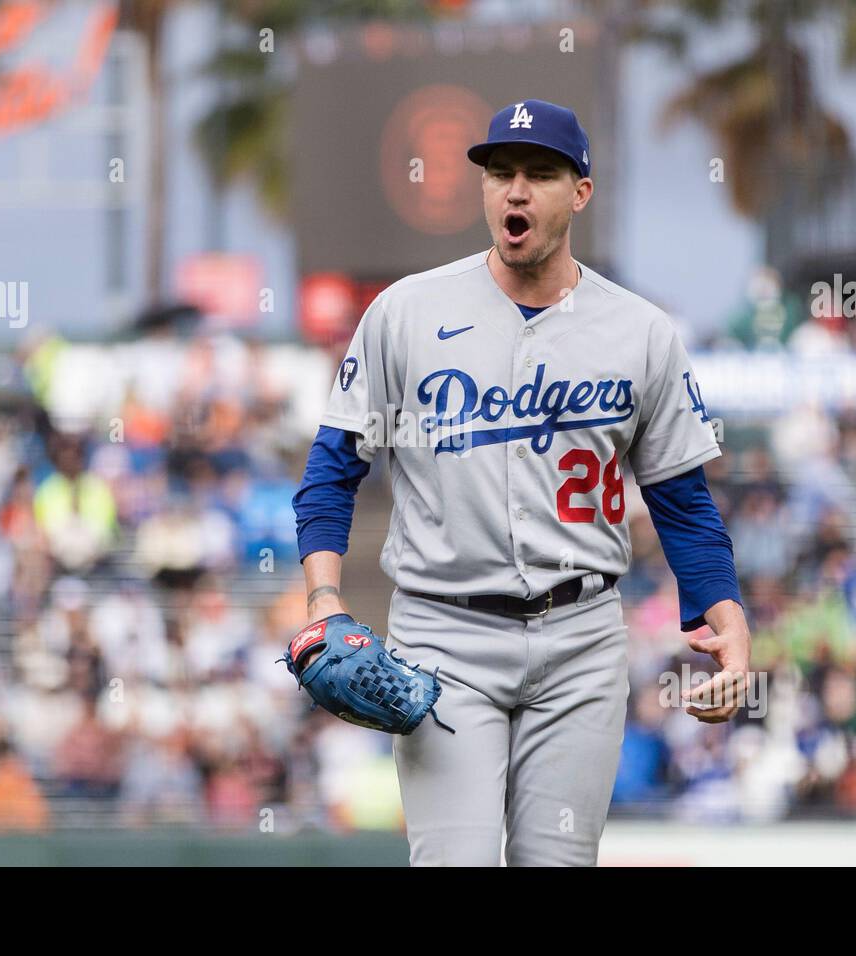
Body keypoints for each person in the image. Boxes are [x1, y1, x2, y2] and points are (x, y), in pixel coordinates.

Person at [292, 99, 749, 866]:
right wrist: (323, 598)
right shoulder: (405, 313)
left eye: (540, 174)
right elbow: (333, 470)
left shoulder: (640, 332)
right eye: (499, 173)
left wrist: (725, 616)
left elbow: (682, 500)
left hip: (581, 637)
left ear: (580, 192)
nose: (515, 190)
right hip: (445, 635)